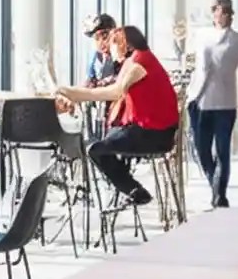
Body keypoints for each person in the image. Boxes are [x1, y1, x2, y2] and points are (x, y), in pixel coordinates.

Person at [57, 25, 178, 205]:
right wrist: (73, 93)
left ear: (125, 44)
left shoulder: (140, 62)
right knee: (106, 141)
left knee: (95, 150)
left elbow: (116, 92)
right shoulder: (135, 60)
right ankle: (129, 189)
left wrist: (73, 93)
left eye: (113, 43)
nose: (108, 47)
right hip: (150, 130)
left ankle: (133, 190)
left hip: (155, 134)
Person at [187, 0, 238, 208]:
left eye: (228, 11)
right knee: (202, 149)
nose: (225, 15)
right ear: (213, 13)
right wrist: (190, 95)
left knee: (223, 150)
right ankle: (215, 187)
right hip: (200, 100)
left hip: (226, 102)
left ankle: (220, 195)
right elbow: (197, 67)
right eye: (221, 11)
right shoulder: (202, 36)